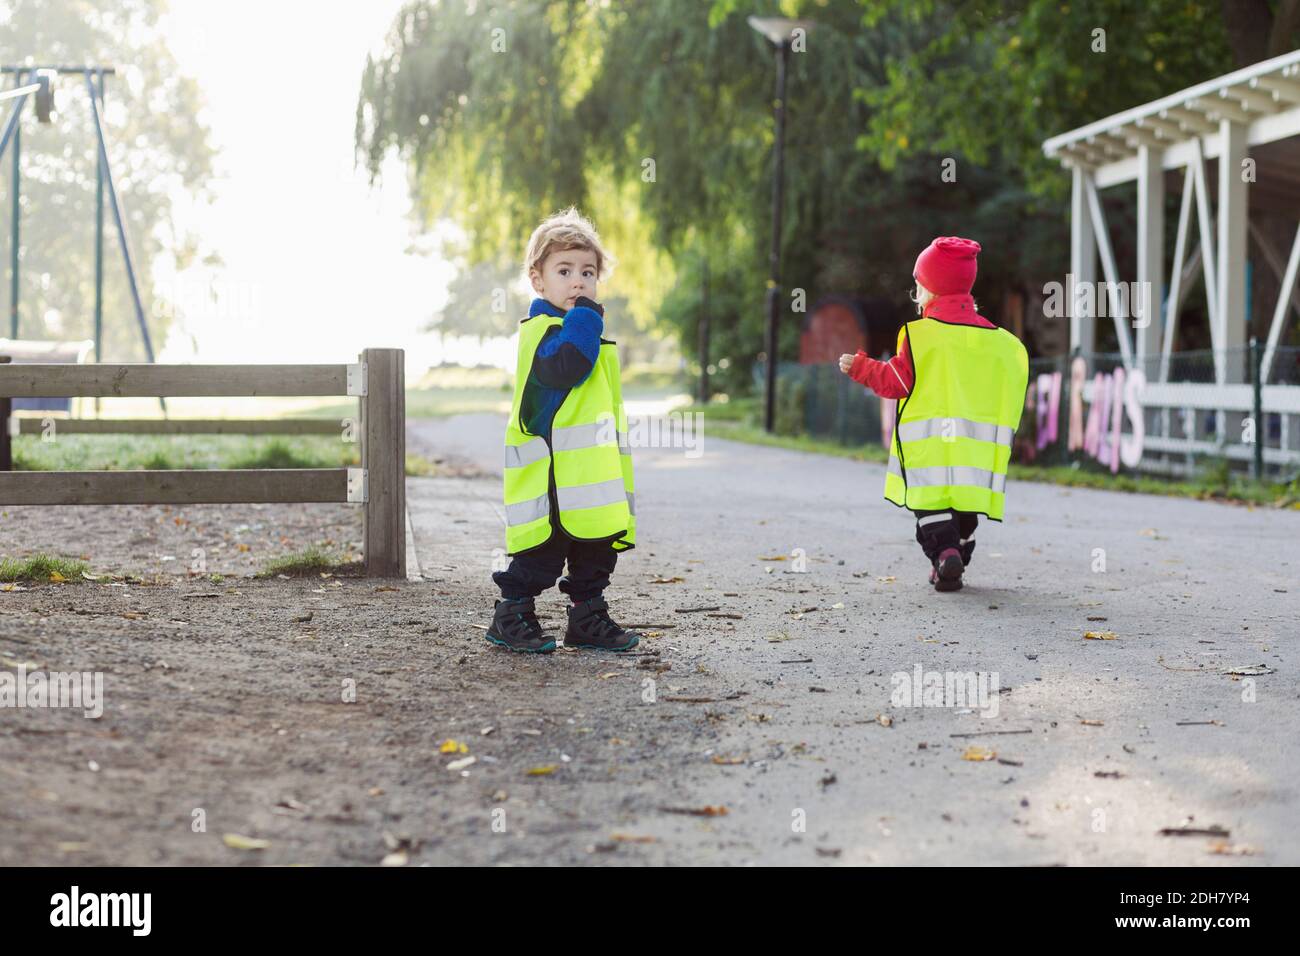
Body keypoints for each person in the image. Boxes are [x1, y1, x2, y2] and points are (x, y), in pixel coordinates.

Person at [487, 207, 639, 651]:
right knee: (541, 554)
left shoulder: (581, 329)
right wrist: (589, 317)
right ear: (538, 280)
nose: (579, 282)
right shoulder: (548, 331)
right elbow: (567, 367)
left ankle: (587, 617)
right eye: (565, 271)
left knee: (596, 550)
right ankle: (511, 614)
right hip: (551, 474)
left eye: (588, 272)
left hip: (587, 479)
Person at [839, 236, 1028, 591]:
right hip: (975, 456)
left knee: (932, 509)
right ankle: (951, 559)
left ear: (931, 290)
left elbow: (897, 381)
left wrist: (861, 368)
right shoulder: (1000, 342)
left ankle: (944, 556)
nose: (916, 291)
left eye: (919, 284)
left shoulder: (920, 336)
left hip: (933, 452)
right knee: (964, 511)